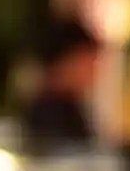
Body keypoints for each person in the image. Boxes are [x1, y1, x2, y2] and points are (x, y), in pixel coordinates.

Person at [24, 19, 102, 153]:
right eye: (88, 63)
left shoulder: (70, 106)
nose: (94, 71)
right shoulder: (50, 113)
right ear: (65, 62)